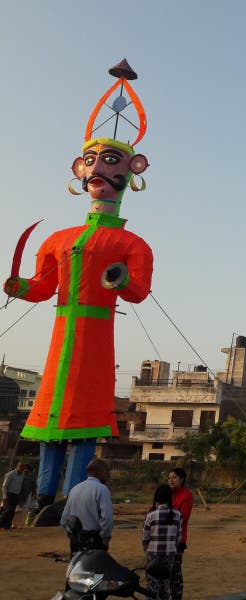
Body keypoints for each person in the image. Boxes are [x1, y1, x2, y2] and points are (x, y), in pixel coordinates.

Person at [3, 60, 153, 516]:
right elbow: (45, 287)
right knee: (49, 425)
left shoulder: (132, 243)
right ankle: (45, 496)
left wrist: (121, 279)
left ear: (133, 170)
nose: (97, 170)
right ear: (77, 167)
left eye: (110, 161)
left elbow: (138, 290)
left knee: (85, 422)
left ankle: (72, 497)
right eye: (90, 160)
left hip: (95, 336)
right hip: (62, 333)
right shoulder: (58, 240)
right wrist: (20, 285)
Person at [60, 458, 113, 553]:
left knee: (77, 566)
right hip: (94, 540)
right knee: (95, 567)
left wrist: (72, 535)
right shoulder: (102, 489)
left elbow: (64, 518)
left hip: (75, 539)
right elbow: (107, 518)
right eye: (107, 472)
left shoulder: (74, 489)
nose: (108, 475)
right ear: (99, 472)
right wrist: (105, 537)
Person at [143, 484, 182, 600]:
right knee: (165, 587)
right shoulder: (178, 515)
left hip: (153, 555)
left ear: (156, 499)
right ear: (170, 498)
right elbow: (179, 538)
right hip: (169, 556)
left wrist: (147, 551)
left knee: (152, 587)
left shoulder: (150, 516)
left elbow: (145, 538)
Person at [168, 468, 194, 600]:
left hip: (178, 540)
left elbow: (183, 518)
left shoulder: (187, 495)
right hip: (164, 539)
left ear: (182, 479)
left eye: (174, 477)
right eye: (169, 478)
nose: (171, 480)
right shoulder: (167, 494)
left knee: (175, 574)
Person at [0, 462, 28, 529]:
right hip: (9, 494)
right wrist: (5, 497)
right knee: (8, 510)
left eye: (23, 468)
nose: (22, 469)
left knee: (12, 512)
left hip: (16, 495)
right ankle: (1, 523)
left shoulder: (22, 475)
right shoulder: (10, 474)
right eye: (21, 467)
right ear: (17, 466)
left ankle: (7, 526)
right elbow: (4, 486)